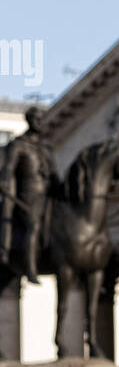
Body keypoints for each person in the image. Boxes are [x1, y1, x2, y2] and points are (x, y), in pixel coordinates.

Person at [0, 106, 56, 284]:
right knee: (34, 223)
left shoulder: (45, 146)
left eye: (42, 119)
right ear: (30, 121)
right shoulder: (19, 145)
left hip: (47, 194)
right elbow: (9, 168)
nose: (41, 123)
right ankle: (31, 267)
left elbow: (54, 173)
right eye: (37, 119)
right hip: (27, 195)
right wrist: (4, 182)